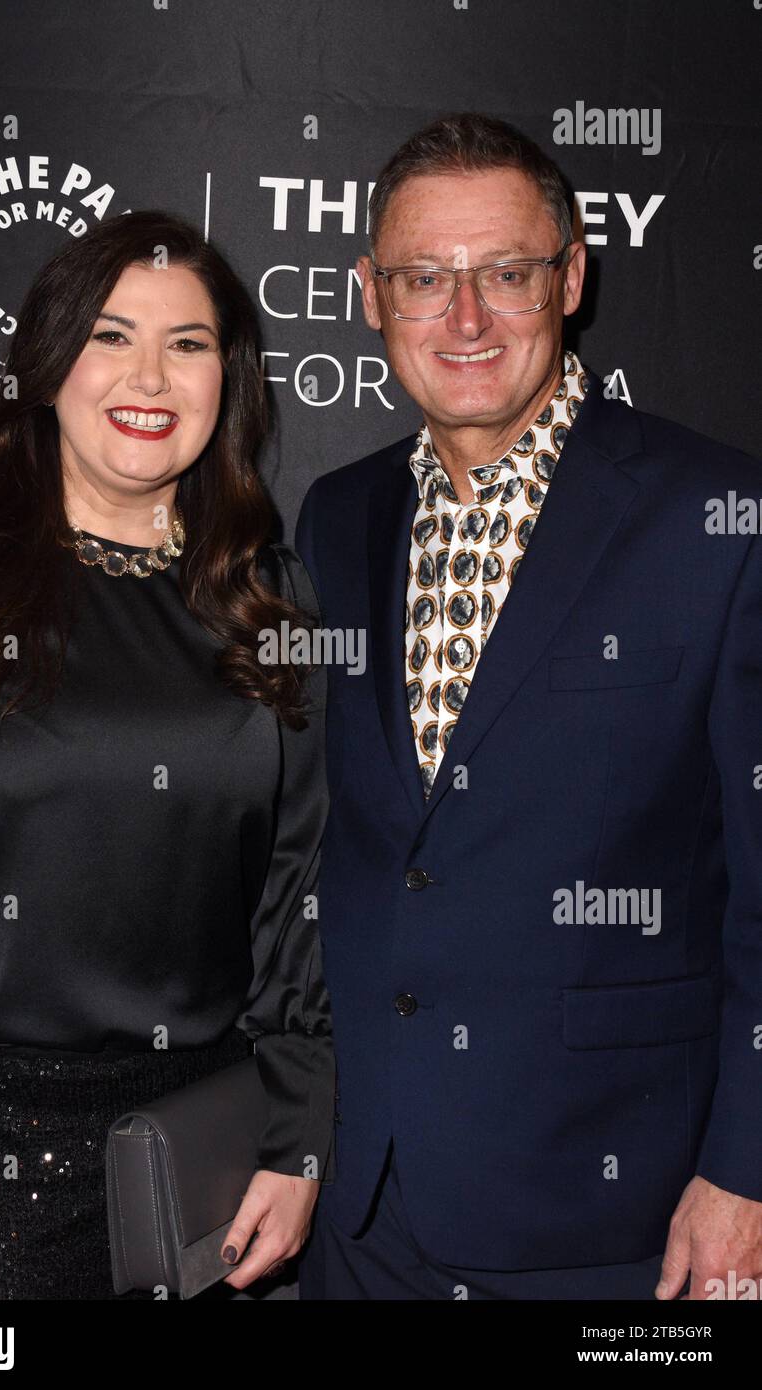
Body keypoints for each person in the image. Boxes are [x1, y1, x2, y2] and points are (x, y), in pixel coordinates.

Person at [295, 112, 762, 1300]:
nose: (463, 318)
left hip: (616, 1225)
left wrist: (745, 1175)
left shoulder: (715, 519)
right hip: (361, 1207)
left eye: (503, 273)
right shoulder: (334, 518)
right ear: (367, 294)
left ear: (568, 277)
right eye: (422, 278)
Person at [0, 209, 334, 1300]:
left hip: (187, 1157)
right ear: (46, 361)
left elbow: (297, 891)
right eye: (111, 335)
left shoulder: (274, 603)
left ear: (231, 379)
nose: (150, 376)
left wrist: (294, 1131)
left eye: (188, 343)